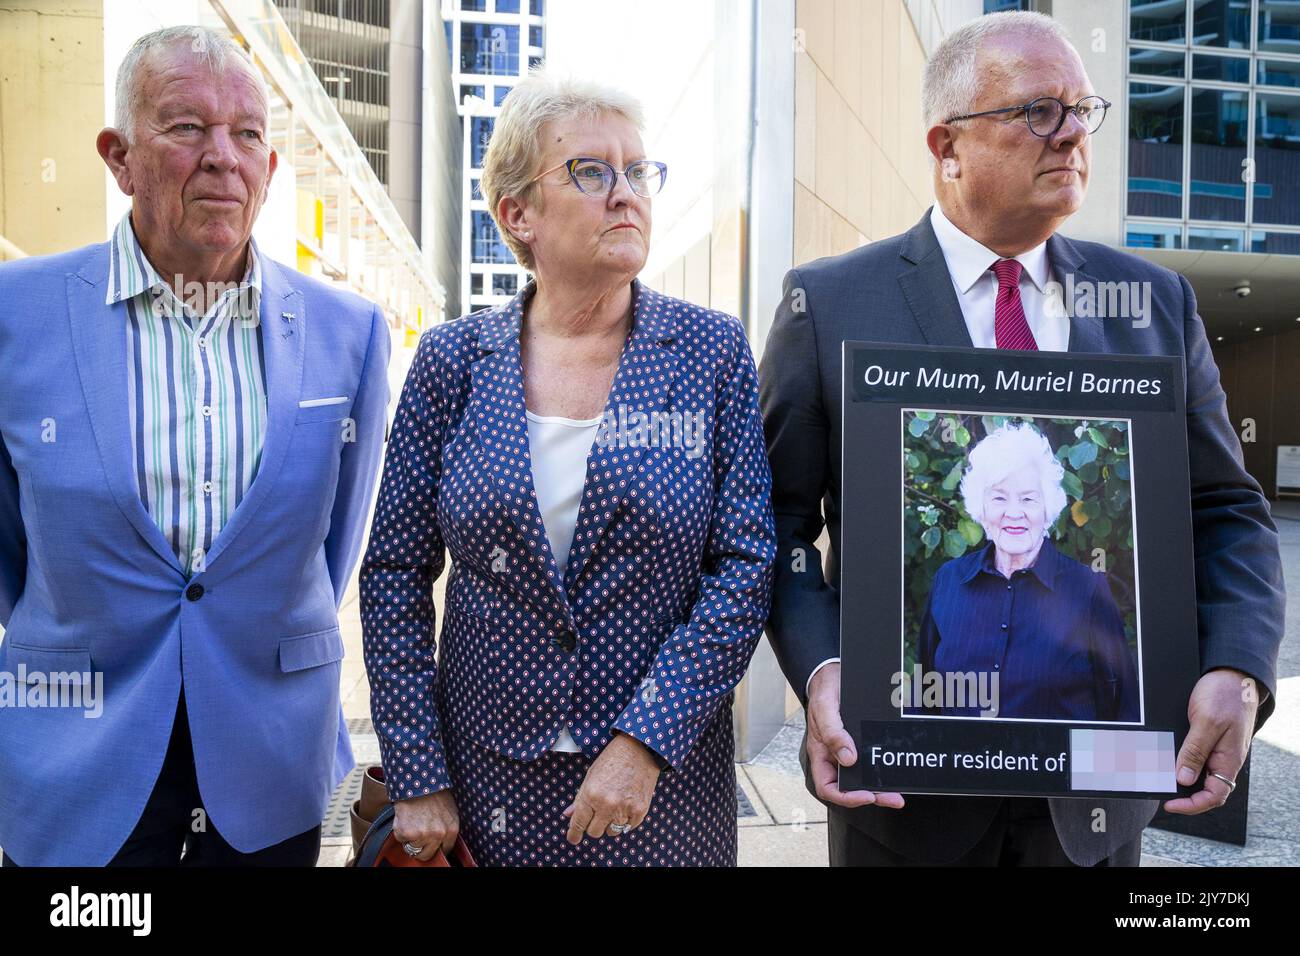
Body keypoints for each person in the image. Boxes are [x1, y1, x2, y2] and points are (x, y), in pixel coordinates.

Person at [760, 10, 1284, 866]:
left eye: (1082, 108)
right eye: (1039, 111)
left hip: (1092, 816)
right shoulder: (829, 305)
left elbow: (1227, 507)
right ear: (948, 144)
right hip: (904, 807)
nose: (1073, 132)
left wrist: (1240, 668)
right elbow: (776, 525)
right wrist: (822, 675)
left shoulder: (1153, 303)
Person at [359, 71, 776, 867]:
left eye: (639, 171)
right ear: (519, 215)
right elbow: (394, 573)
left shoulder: (710, 352)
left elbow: (746, 563)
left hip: (659, 794)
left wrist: (646, 741)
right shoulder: (453, 362)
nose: (627, 194)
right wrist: (417, 773)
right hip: (482, 792)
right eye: (591, 171)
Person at [0, 26, 390, 866]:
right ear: (118, 157)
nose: (223, 157)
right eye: (185, 127)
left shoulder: (346, 332)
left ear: (270, 169)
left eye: (247, 133)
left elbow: (332, 545)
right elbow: (9, 545)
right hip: (76, 755)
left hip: (267, 754)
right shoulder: (14, 315)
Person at [913, 422, 1138, 722]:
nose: (1014, 513)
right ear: (981, 506)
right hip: (960, 767)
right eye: (999, 497)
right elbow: (924, 700)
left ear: (1048, 507)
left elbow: (1121, 711)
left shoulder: (1087, 588)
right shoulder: (949, 581)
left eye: (1028, 498)